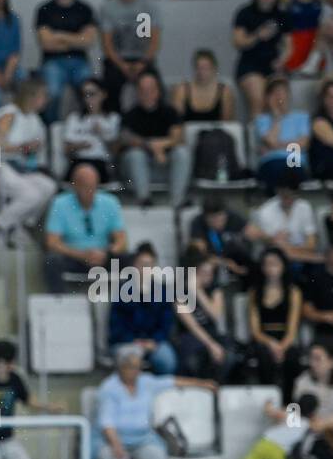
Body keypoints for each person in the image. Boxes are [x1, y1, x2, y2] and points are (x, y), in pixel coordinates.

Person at [95, 344, 218, 459]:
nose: (135, 371)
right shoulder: (109, 388)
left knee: (157, 457)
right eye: (130, 367)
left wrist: (202, 383)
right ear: (120, 367)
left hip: (143, 439)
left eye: (137, 367)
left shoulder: (146, 381)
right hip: (111, 441)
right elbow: (107, 423)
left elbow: (172, 381)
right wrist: (117, 446)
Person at [0, 78, 56, 250]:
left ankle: (19, 226)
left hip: (22, 167)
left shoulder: (35, 120)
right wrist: (23, 147)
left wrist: (31, 149)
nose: (46, 100)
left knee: (48, 186)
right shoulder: (9, 114)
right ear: (31, 97)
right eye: (43, 96)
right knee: (31, 195)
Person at [43, 162, 128, 293]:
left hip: (103, 256)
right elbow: (52, 243)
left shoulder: (110, 202)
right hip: (74, 257)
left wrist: (106, 253)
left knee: (131, 259)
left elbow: (121, 241)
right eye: (85, 187)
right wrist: (82, 255)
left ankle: (125, 306)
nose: (90, 191)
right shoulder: (60, 203)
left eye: (93, 186)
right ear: (74, 186)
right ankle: (59, 303)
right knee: (52, 260)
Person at [118, 70, 190, 208]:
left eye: (150, 89)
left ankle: (177, 200)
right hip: (137, 168)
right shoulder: (129, 115)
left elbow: (178, 137)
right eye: (143, 89)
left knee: (182, 153)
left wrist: (160, 146)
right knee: (135, 154)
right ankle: (144, 199)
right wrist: (150, 145)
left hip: (164, 163)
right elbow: (126, 139)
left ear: (158, 90)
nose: (147, 93)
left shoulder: (170, 112)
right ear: (138, 92)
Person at [108, 242, 177, 375]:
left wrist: (154, 341)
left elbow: (166, 324)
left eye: (149, 265)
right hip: (126, 342)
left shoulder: (162, 292)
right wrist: (134, 341)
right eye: (142, 264)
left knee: (167, 360)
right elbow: (116, 325)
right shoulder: (123, 291)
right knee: (130, 361)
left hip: (154, 343)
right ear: (134, 266)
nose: (145, 269)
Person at [175, 248, 242, 383]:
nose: (207, 277)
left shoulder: (214, 290)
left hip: (213, 333)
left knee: (231, 354)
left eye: (210, 273)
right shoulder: (179, 291)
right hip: (190, 336)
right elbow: (192, 325)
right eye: (203, 273)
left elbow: (216, 316)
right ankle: (204, 389)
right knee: (195, 360)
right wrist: (211, 345)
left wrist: (198, 292)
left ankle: (217, 390)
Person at [34, 0, 98, 124]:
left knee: (89, 91)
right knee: (53, 92)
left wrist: (59, 35)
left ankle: (86, 127)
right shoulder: (44, 10)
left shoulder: (85, 9)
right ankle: (51, 128)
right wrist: (76, 39)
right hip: (53, 62)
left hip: (79, 61)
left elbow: (88, 41)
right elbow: (46, 43)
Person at [248, 245, 305, 400]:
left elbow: (293, 328)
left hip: (285, 336)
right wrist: (271, 344)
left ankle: (289, 401)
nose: (270, 268)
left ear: (283, 266)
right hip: (263, 337)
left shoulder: (293, 292)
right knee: (263, 356)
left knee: (292, 358)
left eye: (275, 264)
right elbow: (255, 329)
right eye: (266, 264)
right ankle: (268, 399)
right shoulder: (255, 292)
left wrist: (282, 346)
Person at [231, 392, 318, 459]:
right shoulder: (308, 424)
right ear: (313, 411)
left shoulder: (291, 415)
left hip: (266, 444)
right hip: (279, 451)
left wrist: (268, 401)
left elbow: (269, 411)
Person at [99, 0, 160, 114]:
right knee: (110, 87)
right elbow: (107, 45)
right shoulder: (108, 8)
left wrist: (142, 63)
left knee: (154, 86)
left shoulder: (149, 6)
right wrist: (122, 66)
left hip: (143, 59)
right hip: (117, 60)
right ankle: (114, 121)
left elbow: (154, 42)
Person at [233, 0, 289, 118]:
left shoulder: (281, 15)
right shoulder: (245, 13)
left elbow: (289, 45)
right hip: (250, 65)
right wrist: (257, 35)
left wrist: (282, 59)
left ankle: (280, 137)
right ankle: (256, 138)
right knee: (259, 100)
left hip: (273, 65)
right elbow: (237, 42)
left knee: (281, 100)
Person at [292, 340, 333, 459]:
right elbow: (295, 417)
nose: (312, 363)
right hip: (313, 434)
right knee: (323, 453)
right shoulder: (302, 382)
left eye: (318, 359)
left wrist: (327, 425)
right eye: (311, 358)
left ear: (332, 362)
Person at [253, 77, 311, 191]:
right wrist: (277, 117)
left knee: (291, 170)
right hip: (271, 162)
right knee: (275, 169)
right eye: (274, 93)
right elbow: (271, 141)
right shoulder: (262, 120)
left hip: (294, 161)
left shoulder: (302, 117)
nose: (279, 96)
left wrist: (274, 146)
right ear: (268, 98)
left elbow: (303, 144)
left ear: (288, 95)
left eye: (282, 91)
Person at [189, 195, 259, 289]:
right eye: (213, 219)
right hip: (213, 259)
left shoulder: (233, 216)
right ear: (205, 218)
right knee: (205, 266)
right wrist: (227, 263)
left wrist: (272, 238)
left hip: (232, 255)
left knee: (253, 265)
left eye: (221, 218)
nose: (217, 222)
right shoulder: (197, 223)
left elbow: (254, 233)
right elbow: (200, 254)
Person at [252, 180, 320, 271]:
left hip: (302, 256)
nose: (289, 199)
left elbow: (311, 244)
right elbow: (274, 248)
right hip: (278, 257)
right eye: (285, 196)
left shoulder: (305, 207)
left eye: (292, 195)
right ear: (278, 192)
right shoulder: (265, 211)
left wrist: (295, 251)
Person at [61, 77, 119, 184]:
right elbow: (66, 149)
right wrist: (80, 146)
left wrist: (102, 133)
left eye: (92, 94)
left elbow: (115, 151)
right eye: (85, 94)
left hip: (100, 161)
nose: (88, 98)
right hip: (78, 160)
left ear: (103, 94)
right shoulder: (74, 118)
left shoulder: (112, 118)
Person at [170, 49, 236, 123]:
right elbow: (176, 122)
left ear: (214, 69)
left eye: (206, 68)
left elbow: (228, 124)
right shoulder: (182, 90)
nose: (202, 72)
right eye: (199, 68)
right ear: (194, 68)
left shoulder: (225, 91)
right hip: (188, 133)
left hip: (217, 133)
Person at [304, 238, 333, 352]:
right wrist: (329, 317)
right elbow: (307, 311)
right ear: (328, 254)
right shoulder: (316, 278)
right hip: (325, 334)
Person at [309, 79, 333, 181]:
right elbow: (332, 139)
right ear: (323, 99)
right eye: (330, 96)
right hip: (325, 166)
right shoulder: (318, 119)